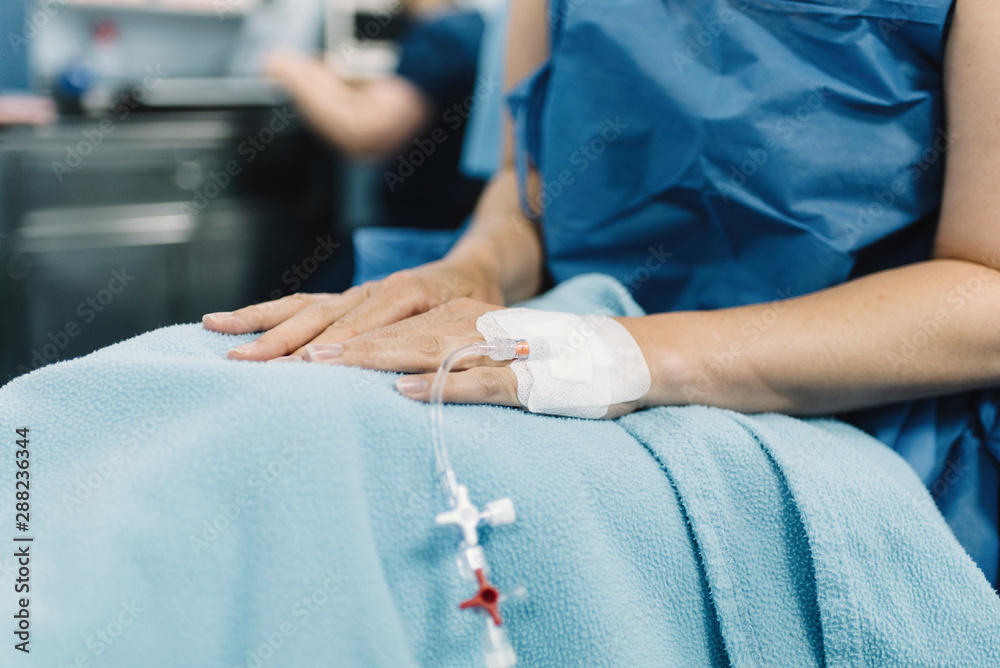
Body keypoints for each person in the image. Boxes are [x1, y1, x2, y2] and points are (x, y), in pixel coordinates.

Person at [205, 0, 1000, 588]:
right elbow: (524, 204)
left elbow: (987, 292)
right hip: (564, 355)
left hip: (855, 424)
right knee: (247, 411)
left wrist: (627, 356)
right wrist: (465, 274)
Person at [265, 0, 486, 230]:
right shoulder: (473, 26)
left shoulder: (440, 38)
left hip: (422, 232)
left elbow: (365, 132)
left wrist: (288, 68)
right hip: (455, 221)